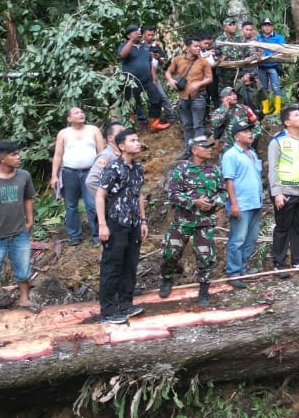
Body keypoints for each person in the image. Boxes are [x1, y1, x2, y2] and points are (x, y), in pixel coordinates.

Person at [0, 141, 40, 321]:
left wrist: (30, 219)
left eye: (18, 154)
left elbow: (28, 198)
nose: (18, 157)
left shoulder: (23, 176)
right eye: (13, 155)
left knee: (24, 268)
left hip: (19, 232)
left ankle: (25, 299)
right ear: (2, 159)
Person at [159, 136, 225, 307]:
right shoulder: (181, 170)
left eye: (211, 147)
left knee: (205, 256)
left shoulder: (215, 170)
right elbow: (172, 193)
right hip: (183, 221)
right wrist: (193, 202)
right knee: (170, 253)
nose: (210, 149)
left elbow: (223, 192)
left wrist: (213, 203)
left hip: (205, 222)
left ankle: (203, 289)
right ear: (195, 150)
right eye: (206, 147)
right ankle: (167, 279)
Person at [96, 130, 148, 324]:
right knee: (112, 266)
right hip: (115, 222)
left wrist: (143, 221)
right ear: (121, 146)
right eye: (132, 140)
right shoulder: (113, 168)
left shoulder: (138, 168)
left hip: (133, 222)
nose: (137, 143)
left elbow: (139, 194)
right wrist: (102, 225)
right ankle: (108, 310)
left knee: (130, 264)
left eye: (138, 139)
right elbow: (100, 196)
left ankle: (126, 303)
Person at [268, 106, 299, 276]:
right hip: (285, 191)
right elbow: (273, 168)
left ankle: (297, 261)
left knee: (298, 227)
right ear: (287, 122)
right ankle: (279, 265)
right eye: (296, 115)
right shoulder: (277, 141)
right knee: (282, 228)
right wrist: (277, 193)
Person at [49, 107, 105, 246]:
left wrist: (103, 170)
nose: (81, 114)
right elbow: (57, 155)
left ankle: (97, 235)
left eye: (81, 112)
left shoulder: (93, 130)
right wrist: (54, 175)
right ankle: (74, 236)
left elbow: (101, 152)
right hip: (69, 173)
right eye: (76, 113)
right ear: (69, 119)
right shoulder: (64, 133)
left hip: (90, 172)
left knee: (92, 204)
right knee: (70, 205)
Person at [222, 121, 264, 286]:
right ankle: (233, 273)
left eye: (250, 131)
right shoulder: (231, 155)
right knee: (237, 240)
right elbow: (229, 180)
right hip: (241, 204)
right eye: (246, 132)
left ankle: (242, 267)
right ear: (236, 136)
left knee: (251, 238)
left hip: (255, 203)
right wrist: (234, 204)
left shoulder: (252, 152)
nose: (250, 134)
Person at [165, 36, 213, 156]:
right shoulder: (178, 59)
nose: (198, 48)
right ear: (187, 47)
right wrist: (170, 80)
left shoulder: (203, 62)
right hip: (183, 97)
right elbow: (168, 72)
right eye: (196, 46)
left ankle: (200, 151)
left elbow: (209, 78)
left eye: (199, 46)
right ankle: (188, 151)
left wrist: (199, 83)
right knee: (187, 125)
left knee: (198, 125)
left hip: (198, 97)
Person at [118, 26, 171, 131]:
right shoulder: (124, 45)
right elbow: (122, 55)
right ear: (128, 35)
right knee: (133, 104)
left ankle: (154, 123)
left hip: (147, 80)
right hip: (131, 81)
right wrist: (131, 41)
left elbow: (150, 62)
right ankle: (131, 127)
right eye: (134, 32)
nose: (138, 34)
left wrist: (154, 78)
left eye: (138, 32)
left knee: (157, 98)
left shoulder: (145, 46)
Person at [84, 121, 124, 245]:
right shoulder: (107, 156)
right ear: (111, 138)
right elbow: (91, 181)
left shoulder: (119, 155)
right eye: (120, 132)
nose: (125, 134)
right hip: (112, 210)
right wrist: (106, 201)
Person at [255, 18, 286, 114]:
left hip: (273, 66)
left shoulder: (279, 37)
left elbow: (282, 49)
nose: (267, 27)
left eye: (269, 25)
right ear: (262, 27)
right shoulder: (258, 38)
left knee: (276, 88)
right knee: (263, 88)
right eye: (265, 25)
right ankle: (266, 109)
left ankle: (277, 110)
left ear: (272, 26)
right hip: (261, 67)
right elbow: (255, 50)